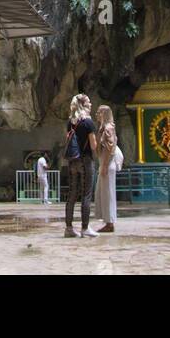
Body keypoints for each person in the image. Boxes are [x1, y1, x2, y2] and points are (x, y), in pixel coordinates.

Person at [63, 93, 98, 238]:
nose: (90, 104)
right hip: (85, 161)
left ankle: (69, 228)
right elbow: (93, 145)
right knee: (86, 194)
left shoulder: (70, 122)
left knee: (72, 194)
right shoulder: (88, 123)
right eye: (88, 102)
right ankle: (85, 228)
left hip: (72, 161)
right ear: (83, 105)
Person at [94, 105, 119, 232]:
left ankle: (110, 223)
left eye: (99, 112)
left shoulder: (108, 128)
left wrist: (104, 166)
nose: (97, 114)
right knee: (103, 194)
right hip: (104, 164)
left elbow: (110, 149)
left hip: (107, 165)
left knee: (108, 194)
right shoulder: (104, 128)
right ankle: (108, 222)